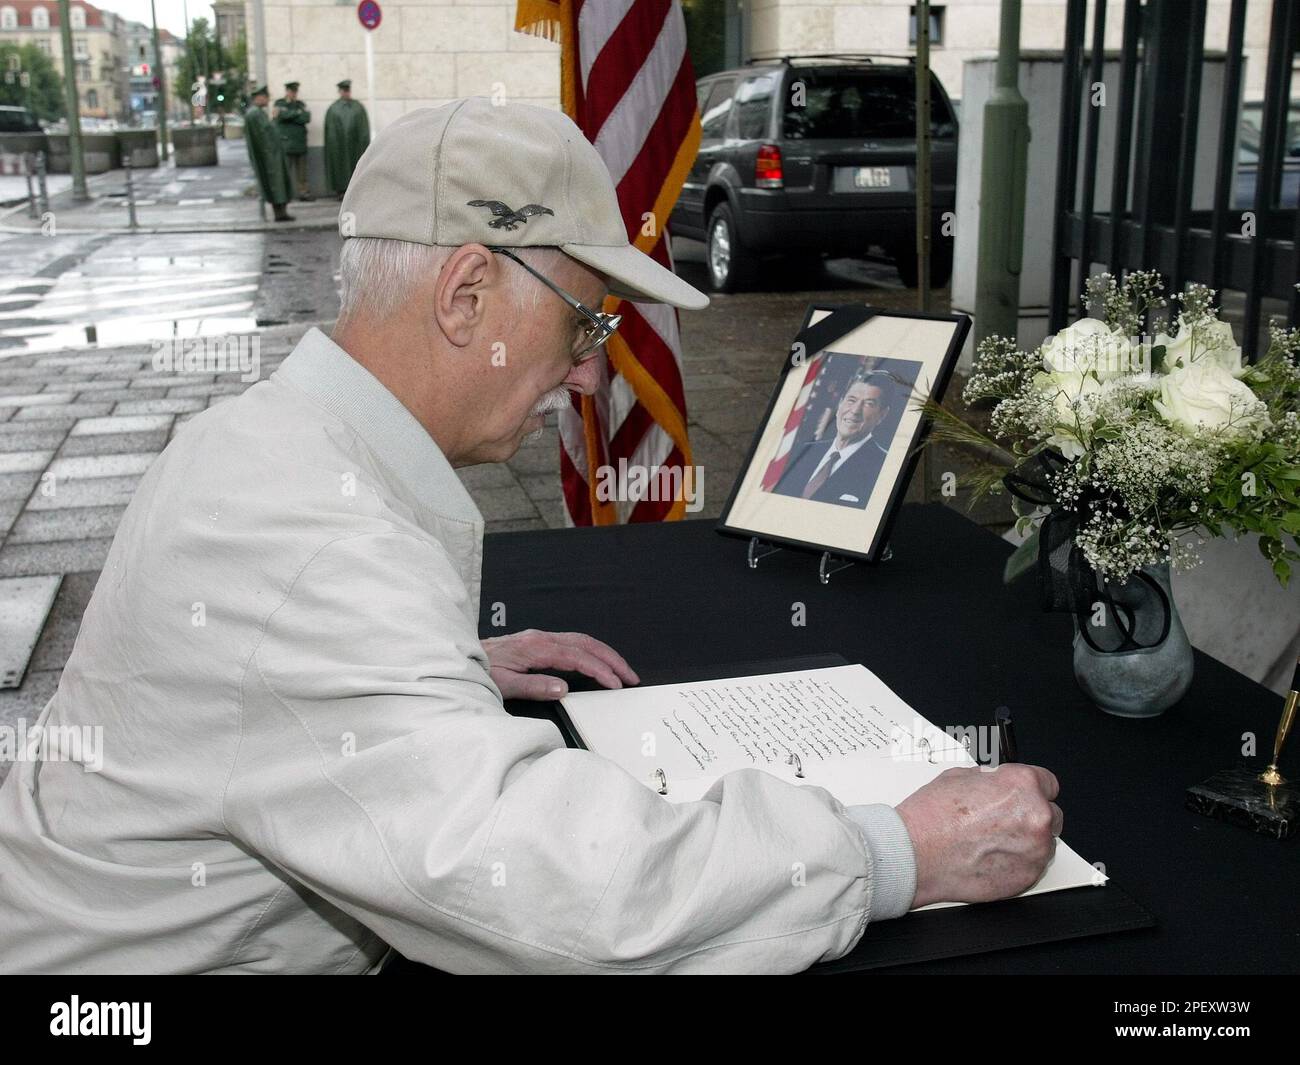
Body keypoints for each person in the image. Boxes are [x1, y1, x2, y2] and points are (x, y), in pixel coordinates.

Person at [0, 97, 1063, 974]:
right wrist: (892, 849)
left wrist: (435, 669)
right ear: (465, 294)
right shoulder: (309, 540)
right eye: (585, 324)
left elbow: (267, 680)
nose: (593, 371)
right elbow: (564, 893)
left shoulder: (267, 443)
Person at [774, 373, 896, 508]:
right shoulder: (802, 452)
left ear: (882, 414)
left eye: (868, 404)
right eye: (851, 400)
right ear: (840, 403)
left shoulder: (885, 467)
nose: (855, 410)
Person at [243, 85, 294, 223]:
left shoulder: (257, 113)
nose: (267, 100)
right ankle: (279, 213)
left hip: (271, 153)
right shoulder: (255, 114)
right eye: (265, 97)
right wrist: (275, 119)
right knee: (276, 183)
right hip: (269, 155)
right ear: (258, 98)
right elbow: (267, 134)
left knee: (279, 183)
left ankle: (281, 212)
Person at [324, 79, 370, 198]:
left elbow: (363, 127)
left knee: (355, 165)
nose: (346, 93)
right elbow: (330, 131)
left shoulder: (357, 107)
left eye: (348, 90)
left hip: (355, 145)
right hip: (339, 145)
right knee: (339, 167)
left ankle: (355, 189)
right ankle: (341, 190)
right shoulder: (333, 108)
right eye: (344, 91)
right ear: (340, 92)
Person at [274, 80, 313, 201]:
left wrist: (290, 115)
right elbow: (281, 116)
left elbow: (306, 118)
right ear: (287, 91)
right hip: (286, 143)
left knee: (302, 173)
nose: (294, 93)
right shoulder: (279, 103)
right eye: (291, 91)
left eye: (295, 91)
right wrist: (297, 114)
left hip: (300, 143)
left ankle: (304, 193)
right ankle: (285, 194)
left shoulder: (300, 104)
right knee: (285, 171)